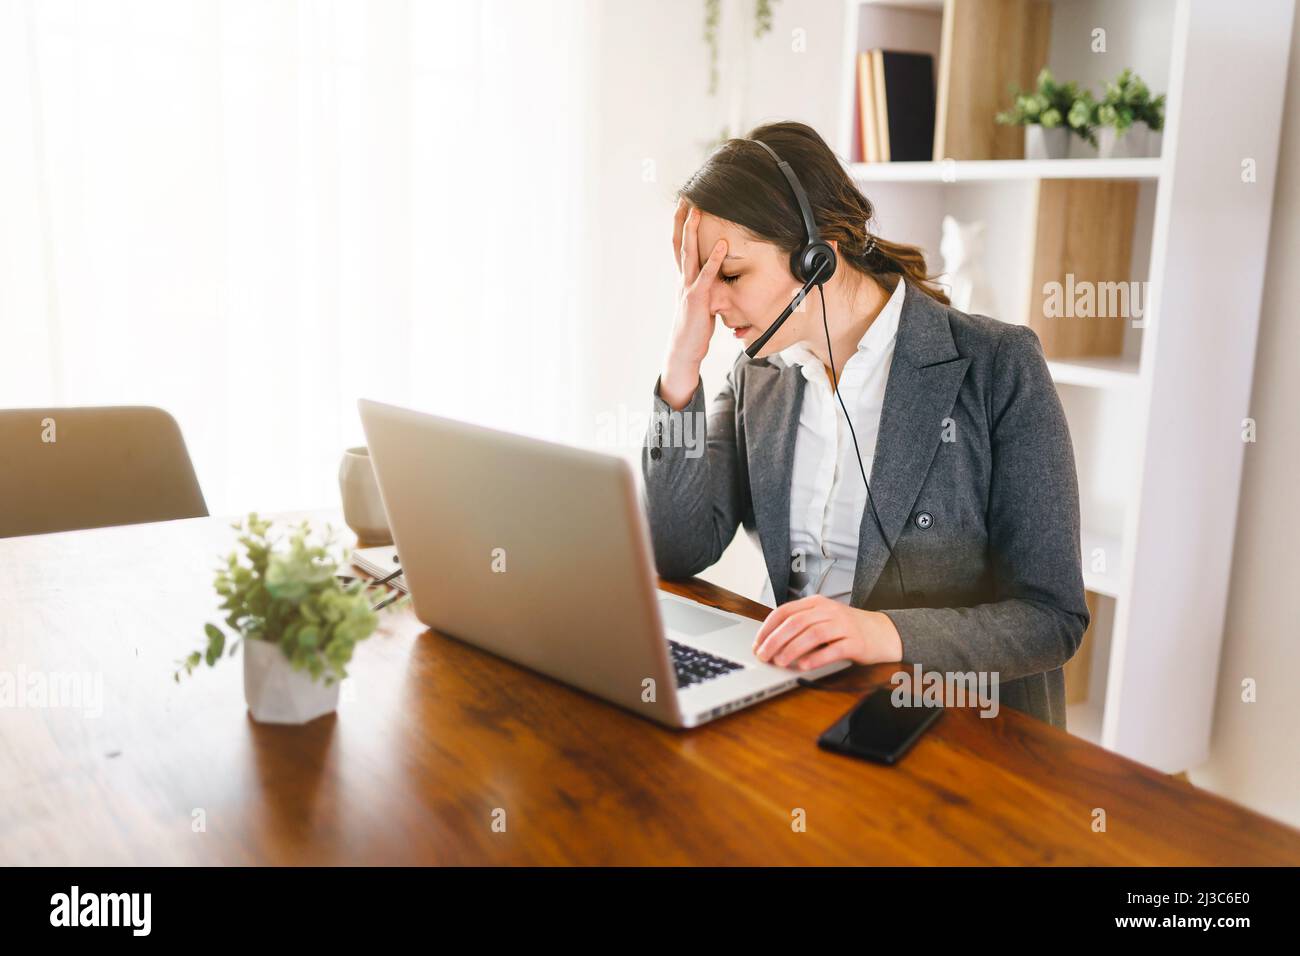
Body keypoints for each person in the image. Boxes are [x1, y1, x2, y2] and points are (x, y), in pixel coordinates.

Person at [641, 120, 1089, 729]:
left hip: (948, 725)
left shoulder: (998, 365)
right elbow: (677, 548)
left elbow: (1051, 617)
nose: (709, 304)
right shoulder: (760, 374)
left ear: (817, 256)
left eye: (731, 274)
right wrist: (680, 367)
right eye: (697, 280)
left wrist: (882, 633)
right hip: (797, 701)